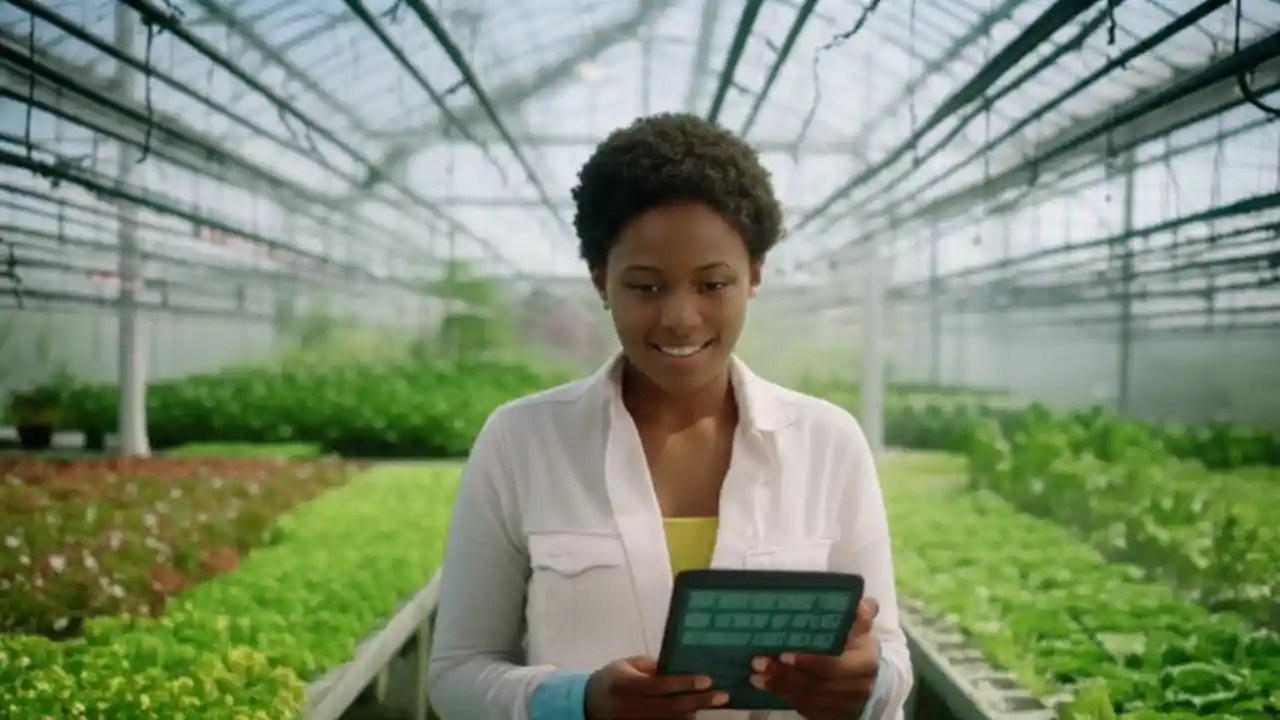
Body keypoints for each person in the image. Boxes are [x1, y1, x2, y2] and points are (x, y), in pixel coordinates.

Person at [427, 113, 912, 720]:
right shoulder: (522, 441)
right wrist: (579, 702)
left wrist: (863, 689)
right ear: (601, 281)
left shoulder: (827, 442)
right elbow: (456, 675)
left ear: (754, 277)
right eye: (646, 287)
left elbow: (889, 661)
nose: (681, 317)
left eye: (712, 285)